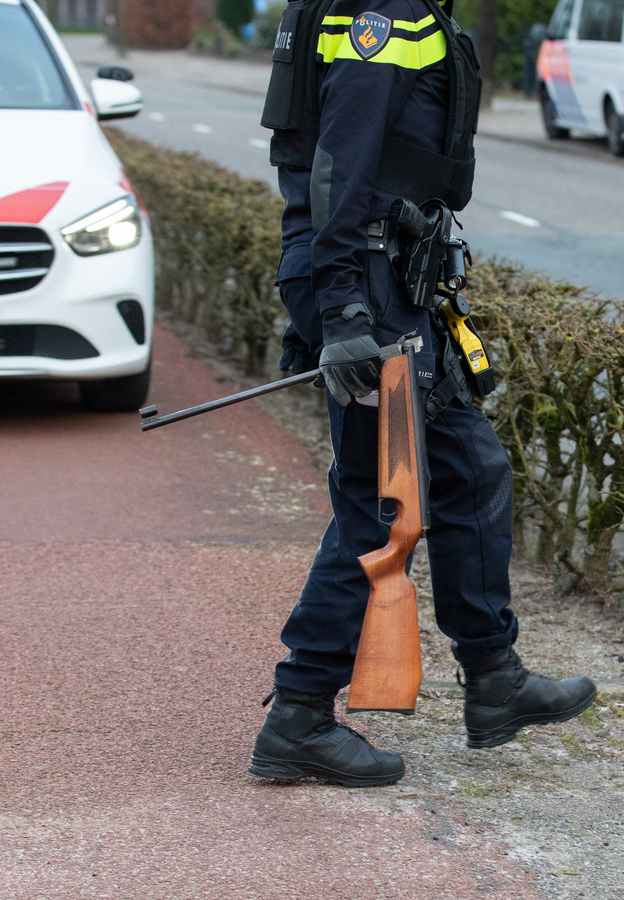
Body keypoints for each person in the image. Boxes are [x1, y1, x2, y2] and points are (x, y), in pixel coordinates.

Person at [249, 0, 597, 788]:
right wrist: (338, 311)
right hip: (368, 287)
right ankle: (298, 713)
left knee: (470, 471)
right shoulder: (387, 15)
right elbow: (337, 161)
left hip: (388, 279)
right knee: (378, 500)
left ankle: (492, 679)